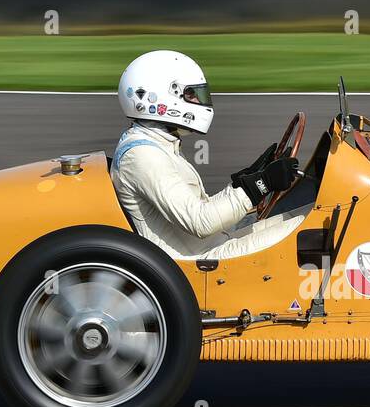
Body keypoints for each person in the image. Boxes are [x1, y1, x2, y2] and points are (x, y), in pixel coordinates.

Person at [111, 50, 309, 260]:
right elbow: (201, 222)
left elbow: (199, 209)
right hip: (201, 261)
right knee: (317, 227)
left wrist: (249, 178)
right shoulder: (142, 156)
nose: (198, 100)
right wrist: (262, 183)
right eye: (191, 94)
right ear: (156, 97)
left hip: (209, 244)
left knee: (309, 213)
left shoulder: (156, 143)